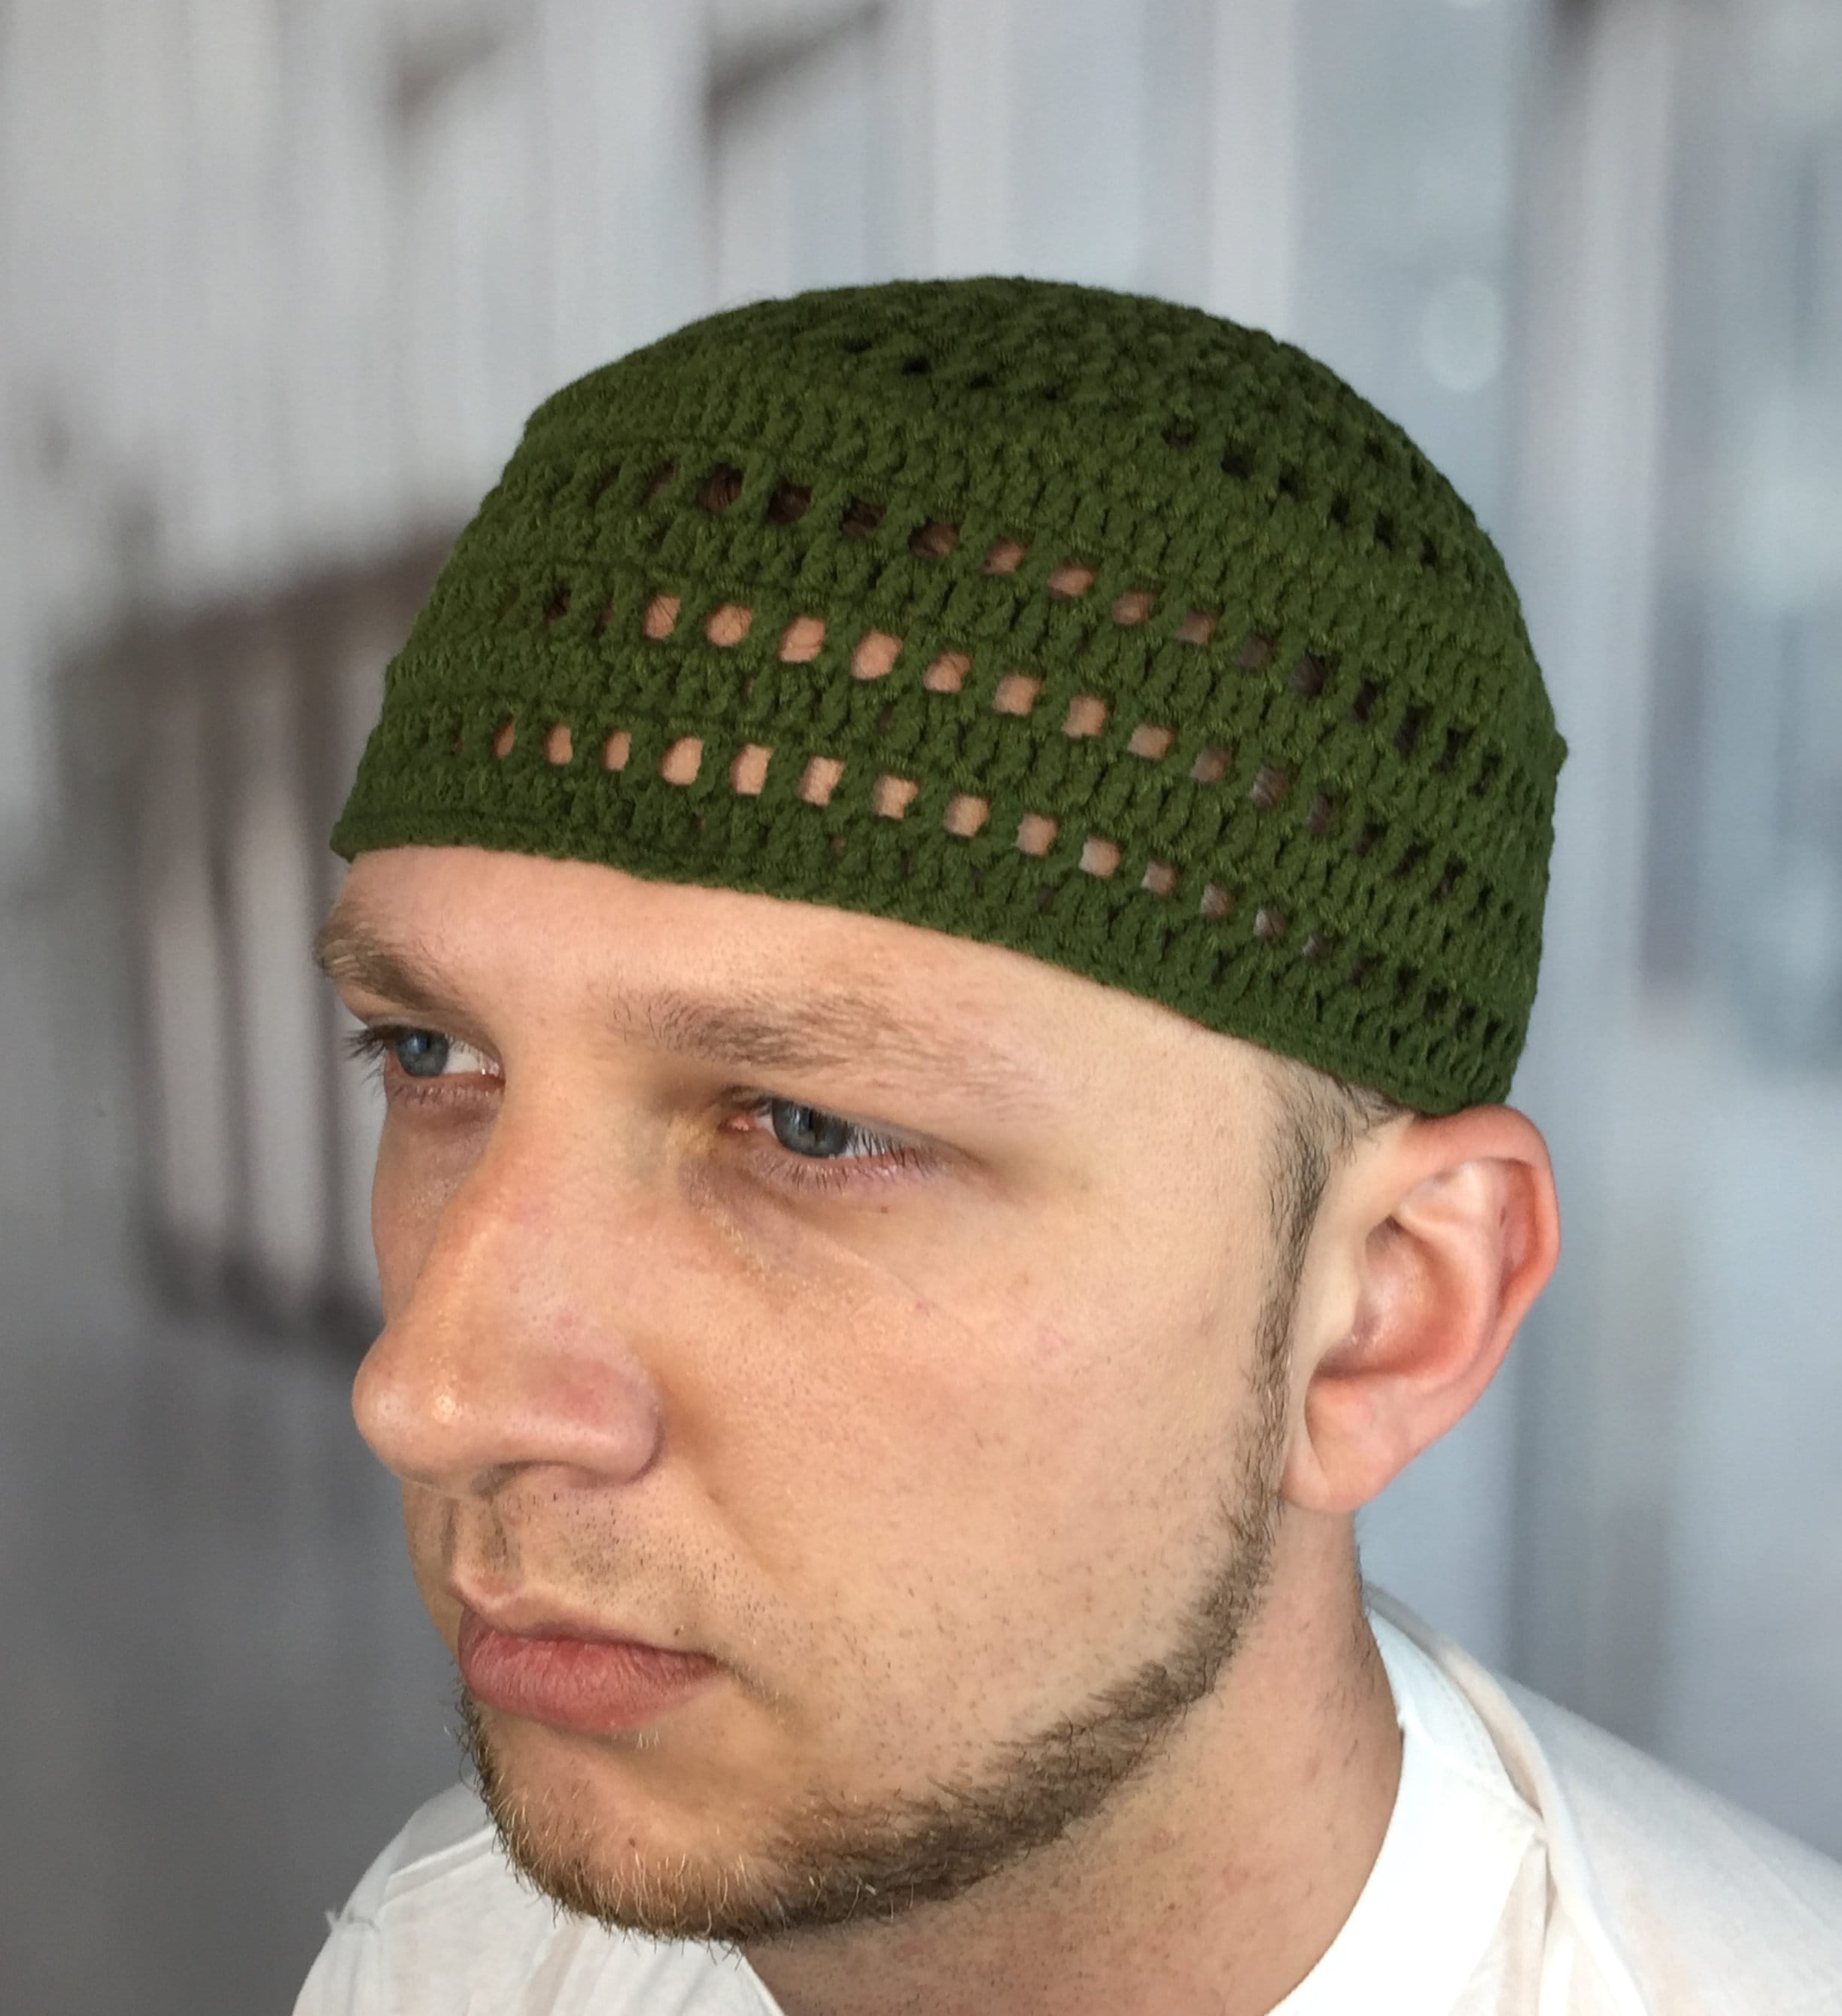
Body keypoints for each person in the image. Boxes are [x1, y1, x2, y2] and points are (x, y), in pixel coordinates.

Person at [293, 278, 1842, 2015]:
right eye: (431, 1054)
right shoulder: (441, 1962)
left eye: (811, 1128)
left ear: (1385, 1313)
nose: (428, 1394)